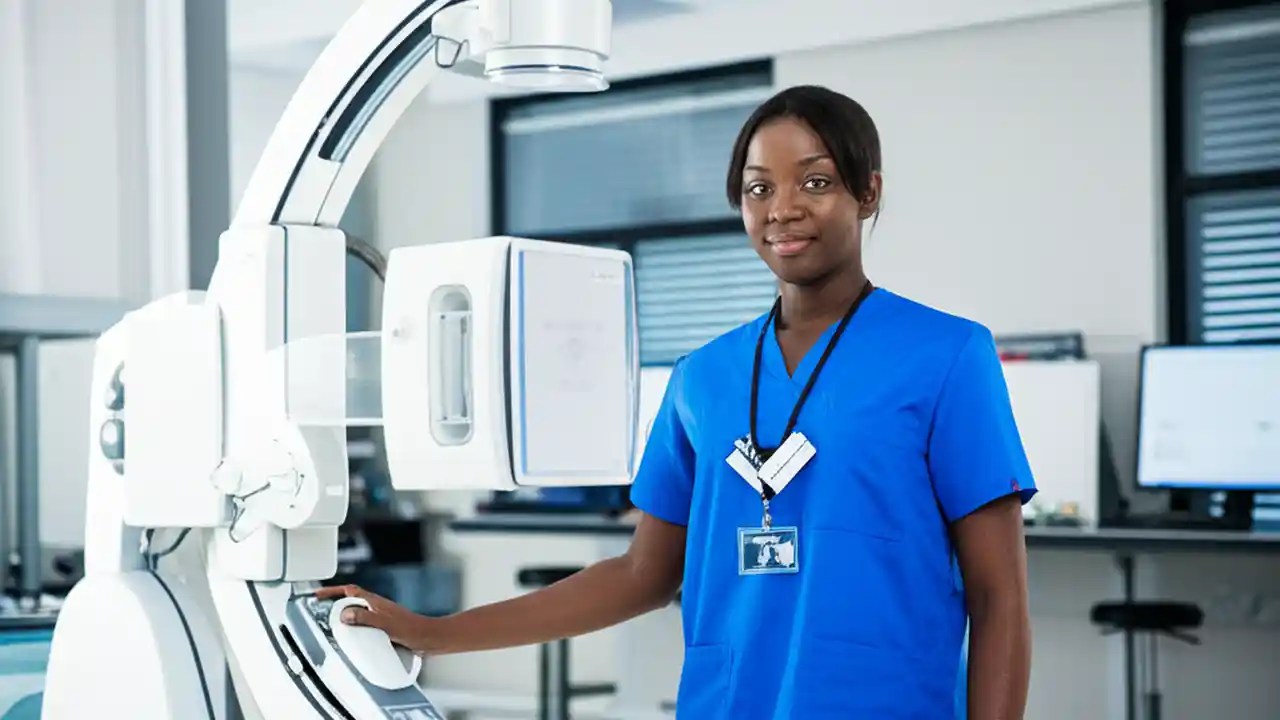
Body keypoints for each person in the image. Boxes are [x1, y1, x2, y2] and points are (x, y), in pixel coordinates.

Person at [319, 84, 1036, 719]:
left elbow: (999, 596)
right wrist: (435, 631)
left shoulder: (945, 356)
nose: (783, 209)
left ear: (867, 192)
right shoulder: (703, 377)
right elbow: (641, 575)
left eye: (814, 182)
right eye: (758, 189)